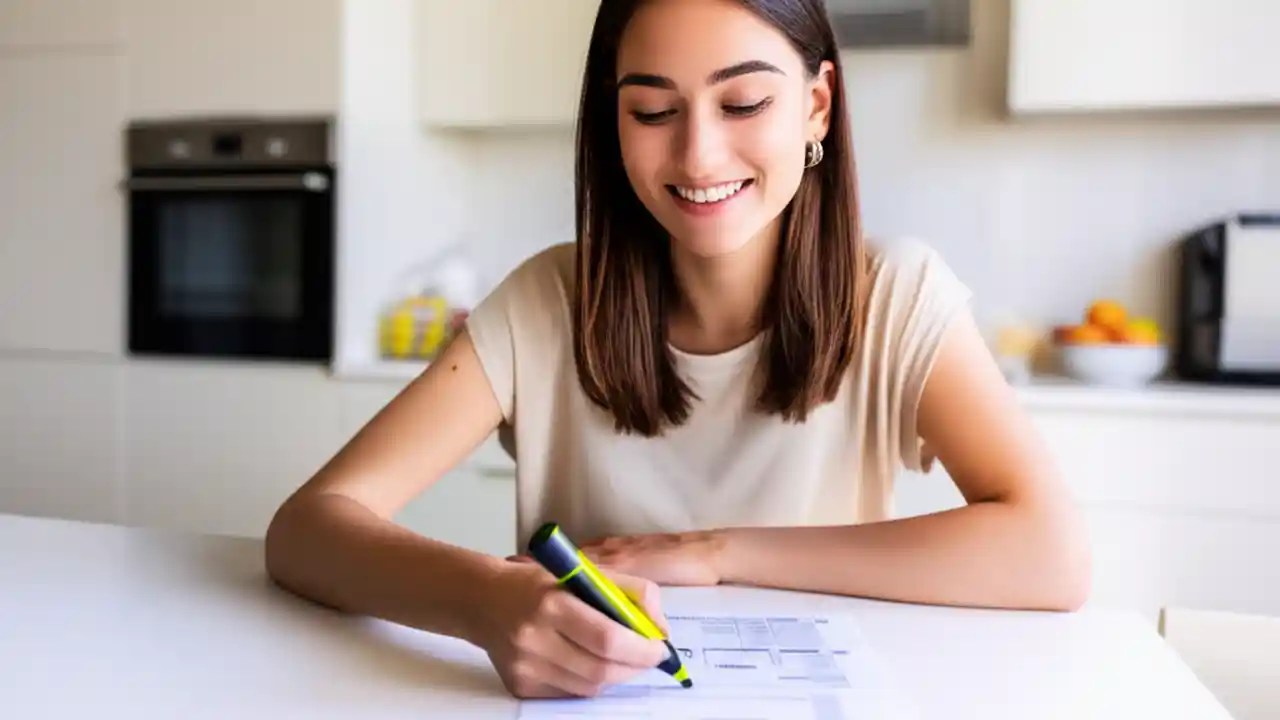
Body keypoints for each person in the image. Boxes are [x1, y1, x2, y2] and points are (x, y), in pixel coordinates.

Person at [265, 0, 1092, 700]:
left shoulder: (897, 297)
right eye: (653, 111)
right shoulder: (546, 302)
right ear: (611, 121)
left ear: (816, 105)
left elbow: (1051, 555)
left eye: (742, 105)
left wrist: (719, 552)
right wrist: (485, 599)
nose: (698, 155)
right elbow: (308, 529)